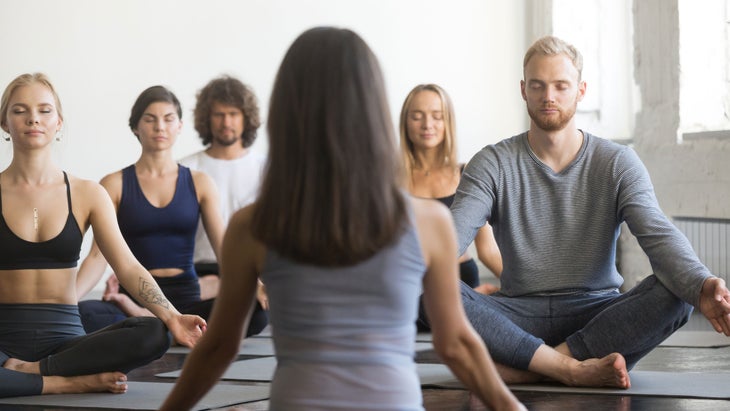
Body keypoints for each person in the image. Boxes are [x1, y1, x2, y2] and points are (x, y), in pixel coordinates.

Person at [160, 27, 525, 411]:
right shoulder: (430, 221)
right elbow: (455, 344)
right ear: (374, 110)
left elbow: (219, 347)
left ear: (287, 111)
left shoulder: (252, 227)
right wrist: (510, 406)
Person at [448, 35, 730, 389]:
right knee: (425, 284)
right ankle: (571, 368)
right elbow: (451, 238)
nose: (548, 96)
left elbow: (657, 233)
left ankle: (536, 366)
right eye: (537, 86)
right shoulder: (491, 162)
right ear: (523, 90)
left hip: (596, 317)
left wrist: (701, 284)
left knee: (680, 291)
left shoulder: (617, 162)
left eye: (560, 86)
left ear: (580, 91)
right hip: (517, 315)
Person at [0, 73, 205, 398]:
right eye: (20, 110)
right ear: (5, 122)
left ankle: (34, 374)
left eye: (44, 110)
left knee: (154, 332)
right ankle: (64, 383)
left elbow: (126, 265)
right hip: (4, 339)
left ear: (59, 122)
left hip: (67, 343)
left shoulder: (87, 193)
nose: (33, 118)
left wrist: (173, 316)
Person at [76, 86, 225, 334]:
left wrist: (256, 285)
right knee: (84, 313)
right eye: (150, 119)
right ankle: (163, 324)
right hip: (135, 296)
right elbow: (96, 256)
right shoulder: (114, 184)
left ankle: (160, 324)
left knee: (258, 311)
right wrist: (66, 301)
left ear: (179, 126)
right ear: (135, 126)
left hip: (188, 296)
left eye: (168, 119)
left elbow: (224, 248)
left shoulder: (200, 183)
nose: (160, 127)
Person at [178, 76, 268, 336]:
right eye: (219, 114)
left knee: (258, 313)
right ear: (207, 118)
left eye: (233, 114)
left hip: (249, 272)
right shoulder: (185, 169)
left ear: (245, 117)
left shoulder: (266, 169)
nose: (226, 122)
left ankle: (181, 325)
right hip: (196, 271)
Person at [399, 83, 502, 293]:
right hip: (410, 287)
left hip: (464, 285)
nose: (427, 124)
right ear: (405, 122)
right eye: (417, 116)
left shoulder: (468, 174)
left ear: (448, 122)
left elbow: (488, 251)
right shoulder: (389, 179)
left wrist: (531, 292)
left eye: (437, 116)